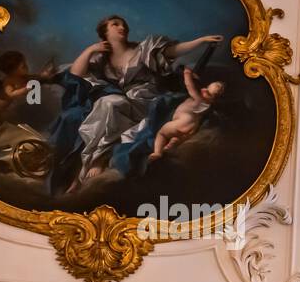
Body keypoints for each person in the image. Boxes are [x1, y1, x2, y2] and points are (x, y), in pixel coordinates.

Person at [49, 14, 222, 193]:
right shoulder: (101, 59)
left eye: (123, 24)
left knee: (109, 104)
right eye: (115, 24)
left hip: (146, 102)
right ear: (104, 33)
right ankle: (81, 175)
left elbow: (173, 50)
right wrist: (90, 50)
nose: (122, 27)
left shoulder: (144, 49)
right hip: (121, 104)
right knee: (107, 105)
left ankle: (97, 162)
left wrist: (200, 40)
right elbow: (75, 74)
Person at [149, 67, 224, 162]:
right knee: (176, 138)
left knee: (162, 133)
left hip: (182, 122)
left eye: (208, 92)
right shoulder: (208, 105)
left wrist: (187, 73)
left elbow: (189, 86)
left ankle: (157, 152)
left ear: (213, 99)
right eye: (207, 87)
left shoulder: (198, 99)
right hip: (192, 128)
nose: (204, 89)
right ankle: (171, 145)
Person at [0, 51, 56, 141]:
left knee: (1, 125)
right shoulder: (9, 80)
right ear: (12, 71)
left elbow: (36, 78)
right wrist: (25, 89)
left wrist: (45, 75)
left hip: (3, 107)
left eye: (25, 64)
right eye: (23, 66)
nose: (27, 67)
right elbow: (10, 94)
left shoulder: (23, 77)